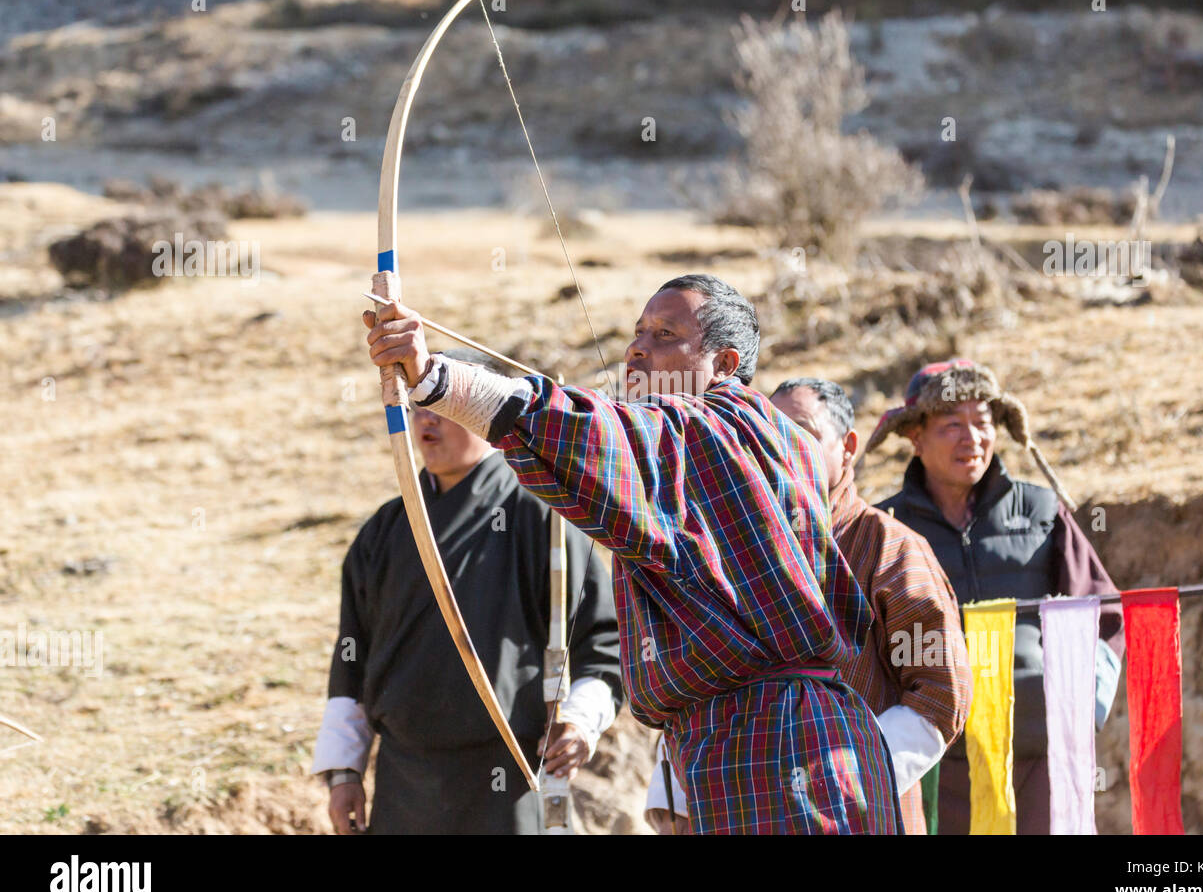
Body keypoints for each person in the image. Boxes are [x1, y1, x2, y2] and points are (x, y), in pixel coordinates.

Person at [365, 274, 903, 834]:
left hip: (785, 742)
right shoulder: (713, 439)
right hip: (744, 736)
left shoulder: (723, 428)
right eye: (638, 331)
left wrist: (435, 378)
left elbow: (588, 433)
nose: (638, 348)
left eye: (666, 333)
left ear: (723, 363)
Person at [311, 349, 622, 834]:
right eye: (418, 407)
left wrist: (581, 722)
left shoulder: (544, 515)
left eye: (444, 405)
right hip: (403, 782)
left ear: (480, 408)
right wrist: (344, 771)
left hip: (508, 776)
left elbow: (602, 646)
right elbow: (352, 659)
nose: (427, 422)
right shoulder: (385, 530)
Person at [644, 377, 973, 835]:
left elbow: (939, 695)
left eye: (802, 434)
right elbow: (702, 681)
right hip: (733, 806)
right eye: (766, 435)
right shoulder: (735, 548)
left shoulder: (890, 549)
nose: (781, 450)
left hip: (856, 814)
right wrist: (675, 799)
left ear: (848, 448)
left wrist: (843, 782)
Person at [867, 358, 1123, 835]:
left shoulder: (1041, 512)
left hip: (1038, 751)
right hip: (938, 763)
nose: (972, 438)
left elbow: (1100, 610)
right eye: (951, 426)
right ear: (915, 438)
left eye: (983, 424)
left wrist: (1083, 705)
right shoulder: (886, 529)